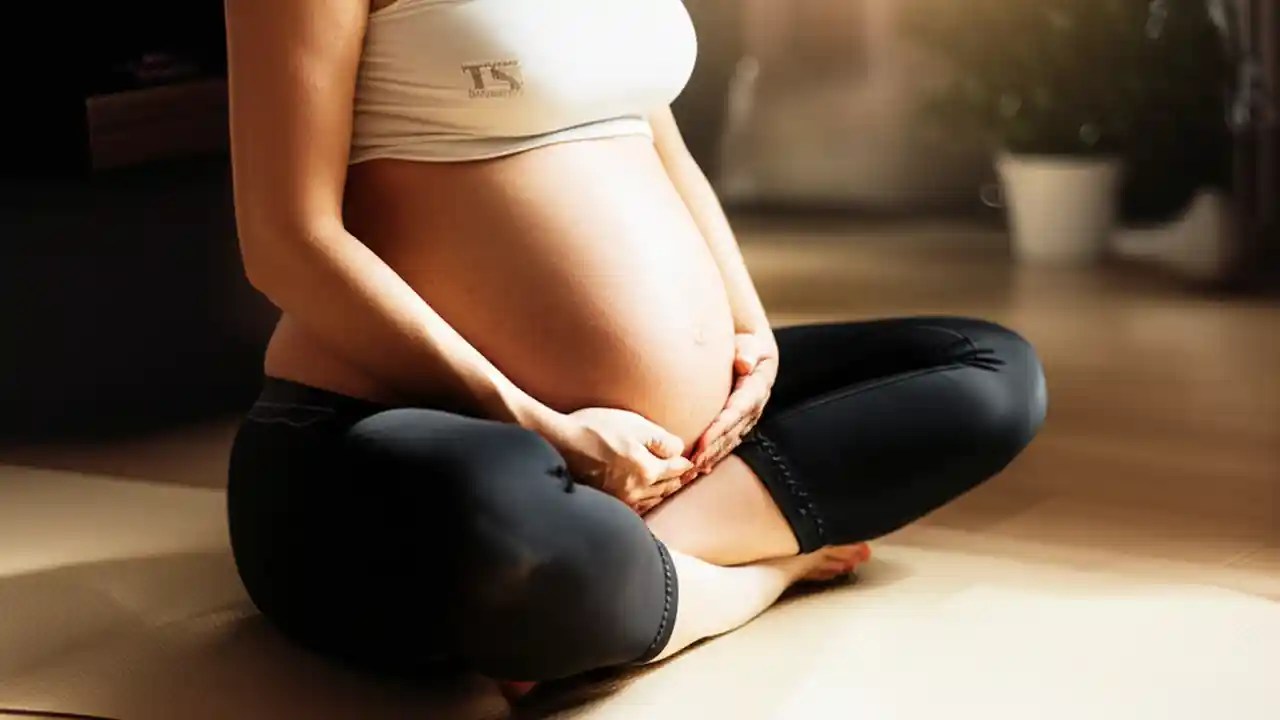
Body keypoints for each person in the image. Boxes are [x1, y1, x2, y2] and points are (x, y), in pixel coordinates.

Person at [223, 0, 1047, 687]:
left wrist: (748, 331)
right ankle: (747, 577)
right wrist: (539, 423)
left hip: (670, 450)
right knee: (507, 529)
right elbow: (287, 242)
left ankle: (611, 578)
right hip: (391, 425)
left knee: (990, 375)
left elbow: (656, 135)